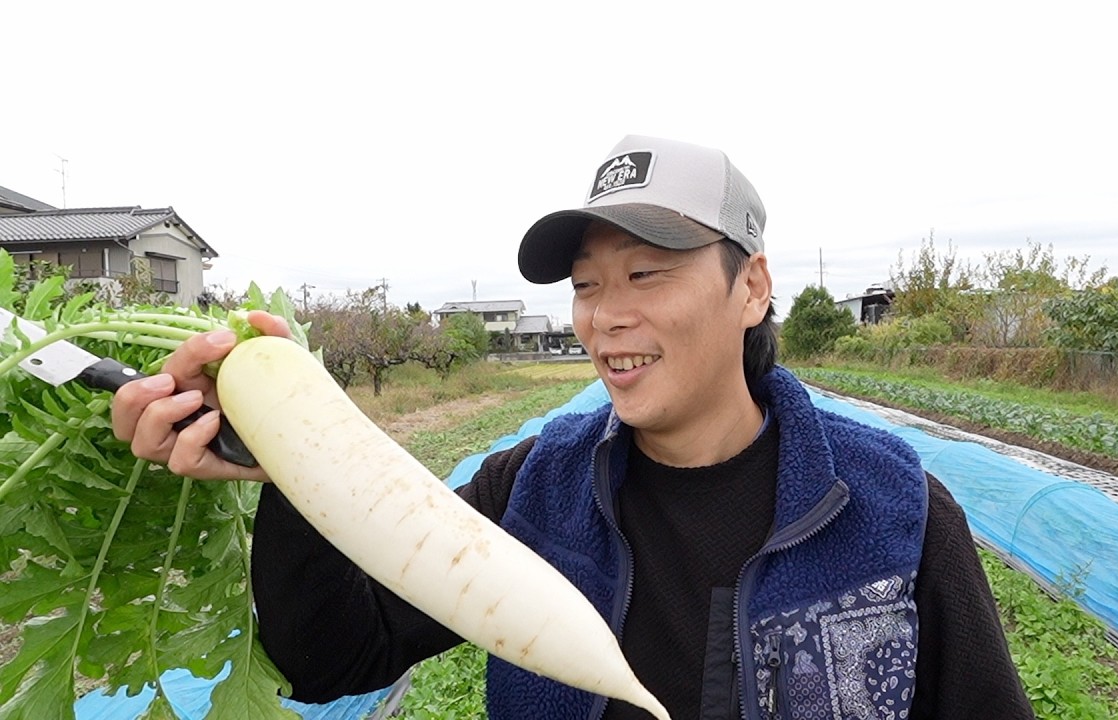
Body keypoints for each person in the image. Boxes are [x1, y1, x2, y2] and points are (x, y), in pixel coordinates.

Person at [113, 135, 1034, 719]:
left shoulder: (890, 511)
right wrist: (288, 458)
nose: (604, 317)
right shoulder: (534, 491)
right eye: (587, 286)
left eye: (646, 275)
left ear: (750, 287)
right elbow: (334, 660)